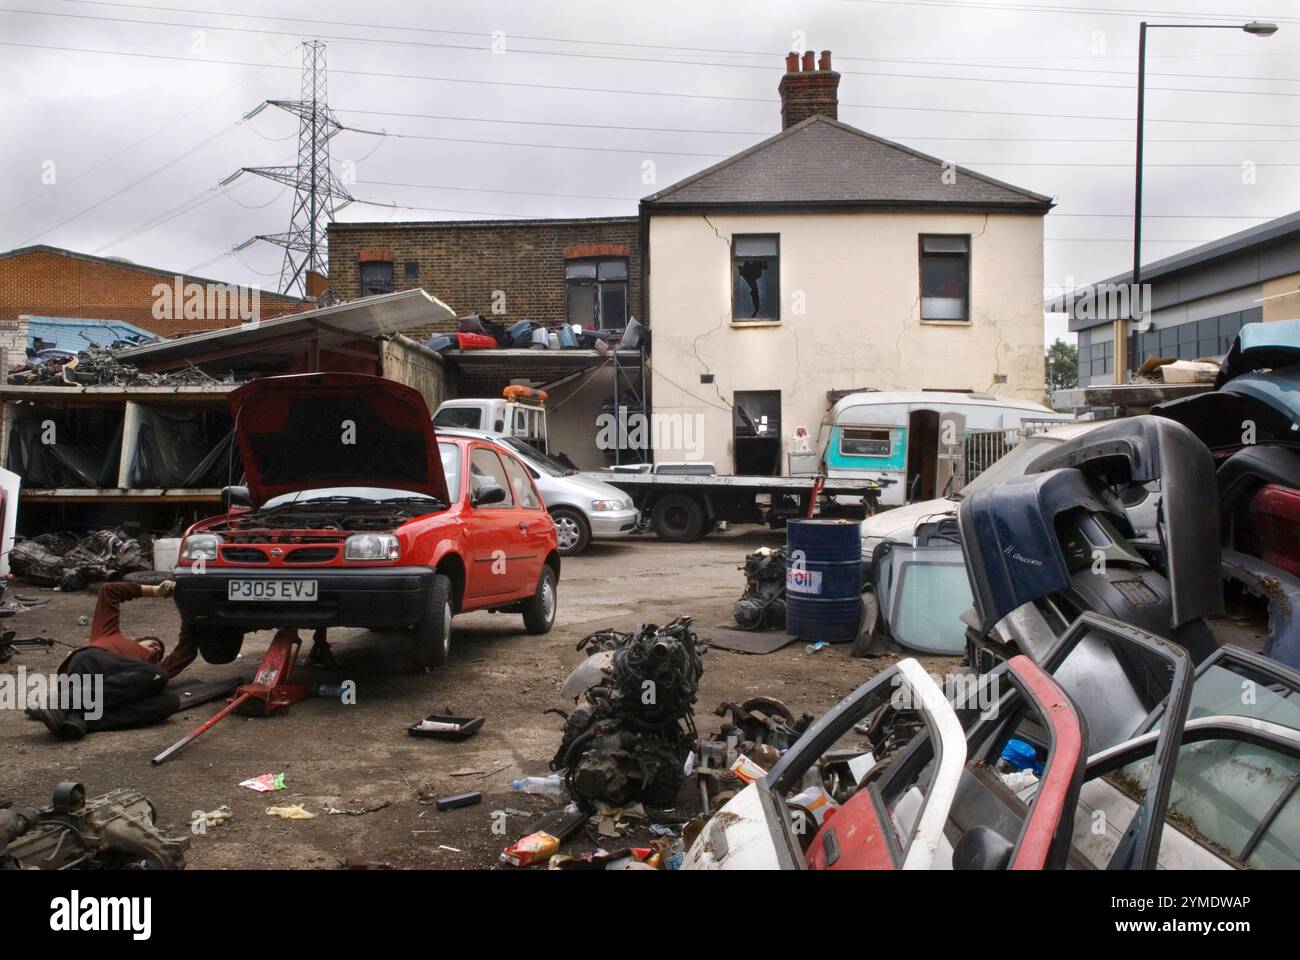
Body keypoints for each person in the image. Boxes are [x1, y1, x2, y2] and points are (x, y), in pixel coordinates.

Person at [31, 579, 197, 740]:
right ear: (137, 641)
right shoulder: (109, 633)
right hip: (86, 669)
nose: (156, 649)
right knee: (155, 673)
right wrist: (155, 591)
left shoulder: (149, 672)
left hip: (114, 692)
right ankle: (62, 702)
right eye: (153, 644)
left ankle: (77, 718)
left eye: (159, 653)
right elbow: (109, 591)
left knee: (169, 701)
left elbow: (186, 651)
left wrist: (191, 608)